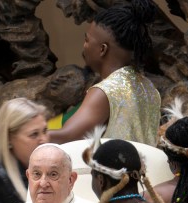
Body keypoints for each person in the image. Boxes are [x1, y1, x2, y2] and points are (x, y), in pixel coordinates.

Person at [48, 0, 160, 145]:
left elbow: (67, 136)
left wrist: (22, 133)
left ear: (102, 49)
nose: (84, 46)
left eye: (87, 40)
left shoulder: (106, 91)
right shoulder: (149, 88)